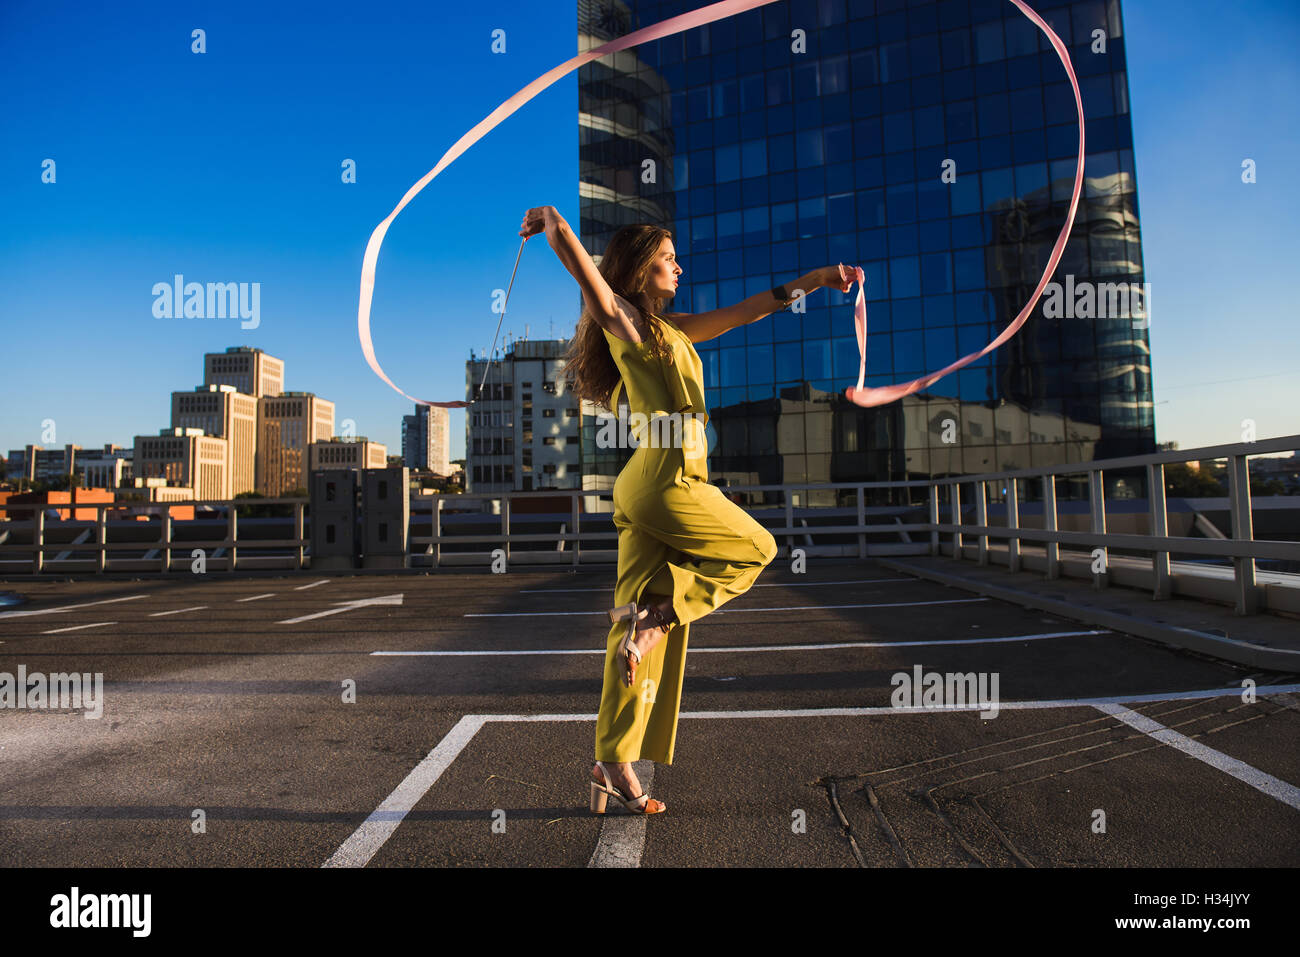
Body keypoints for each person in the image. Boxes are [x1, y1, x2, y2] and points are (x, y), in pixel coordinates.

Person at [518, 206, 853, 814]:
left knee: (628, 630)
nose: (680, 266)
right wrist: (555, 227)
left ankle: (612, 760)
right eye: (669, 259)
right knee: (759, 548)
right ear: (643, 271)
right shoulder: (627, 325)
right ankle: (660, 617)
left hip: (651, 486)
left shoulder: (677, 331)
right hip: (667, 480)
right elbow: (588, 280)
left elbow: (753, 309)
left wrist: (819, 278)